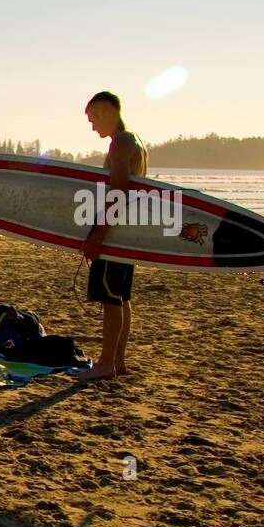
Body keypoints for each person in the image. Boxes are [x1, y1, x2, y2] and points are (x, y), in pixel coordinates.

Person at [72, 91, 147, 381]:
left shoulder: (121, 143)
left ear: (106, 111)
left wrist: (97, 236)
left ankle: (105, 365)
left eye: (94, 118)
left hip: (114, 235)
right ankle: (116, 361)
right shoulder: (135, 141)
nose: (93, 127)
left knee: (111, 299)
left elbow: (118, 193)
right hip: (125, 236)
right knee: (120, 297)